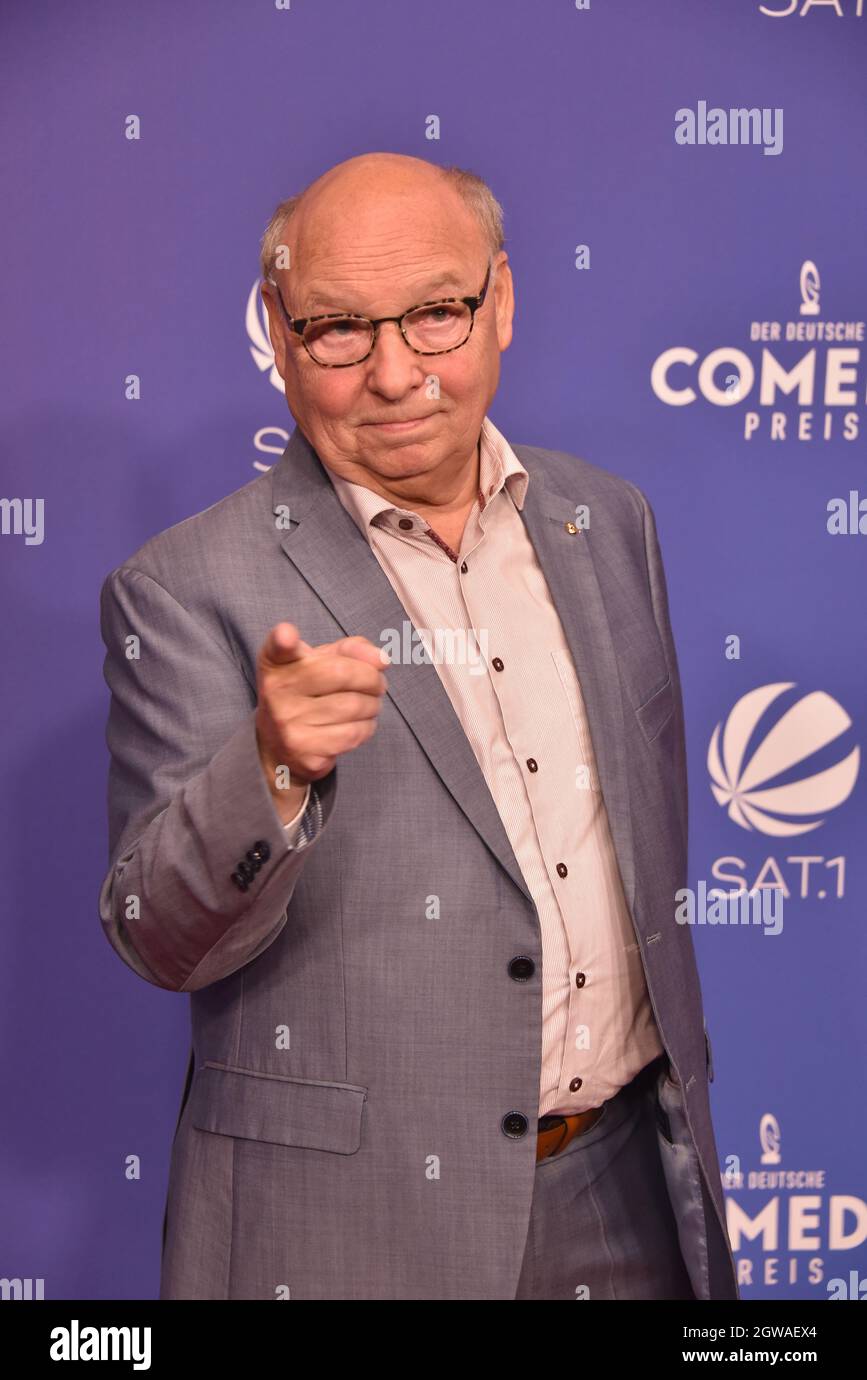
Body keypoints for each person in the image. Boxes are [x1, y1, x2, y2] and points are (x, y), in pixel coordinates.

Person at [98, 151, 738, 1300]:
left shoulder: (609, 520)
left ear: (501, 301)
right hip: (352, 1232)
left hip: (629, 1191)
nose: (396, 374)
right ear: (281, 338)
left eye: (436, 314)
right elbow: (154, 931)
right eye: (340, 329)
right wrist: (270, 768)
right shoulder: (182, 586)